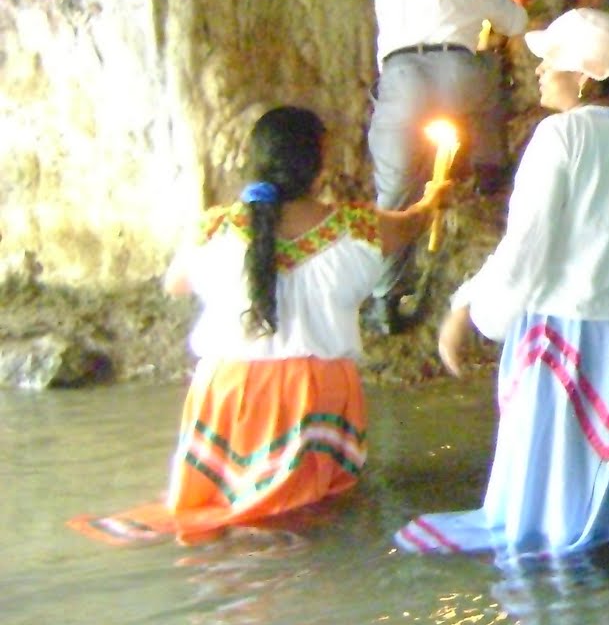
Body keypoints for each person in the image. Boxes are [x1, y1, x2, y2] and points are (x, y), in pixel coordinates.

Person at [70, 106, 447, 546]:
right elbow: (412, 225)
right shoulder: (357, 226)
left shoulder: (214, 227)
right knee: (301, 518)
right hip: (312, 393)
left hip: (226, 389)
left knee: (230, 508)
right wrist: (433, 197)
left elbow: (175, 284)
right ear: (318, 165)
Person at [394, 8, 609, 561]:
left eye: (550, 62)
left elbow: (527, 246)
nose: (539, 71)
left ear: (583, 75)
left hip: (573, 333)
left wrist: (469, 310)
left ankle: (557, 545)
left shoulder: (562, 135)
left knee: (557, 486)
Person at [367, 0, 530, 333]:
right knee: (491, 73)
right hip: (459, 77)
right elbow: (516, 22)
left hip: (403, 78)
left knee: (395, 188)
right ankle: (490, 167)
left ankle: (386, 298)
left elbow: (385, 20)